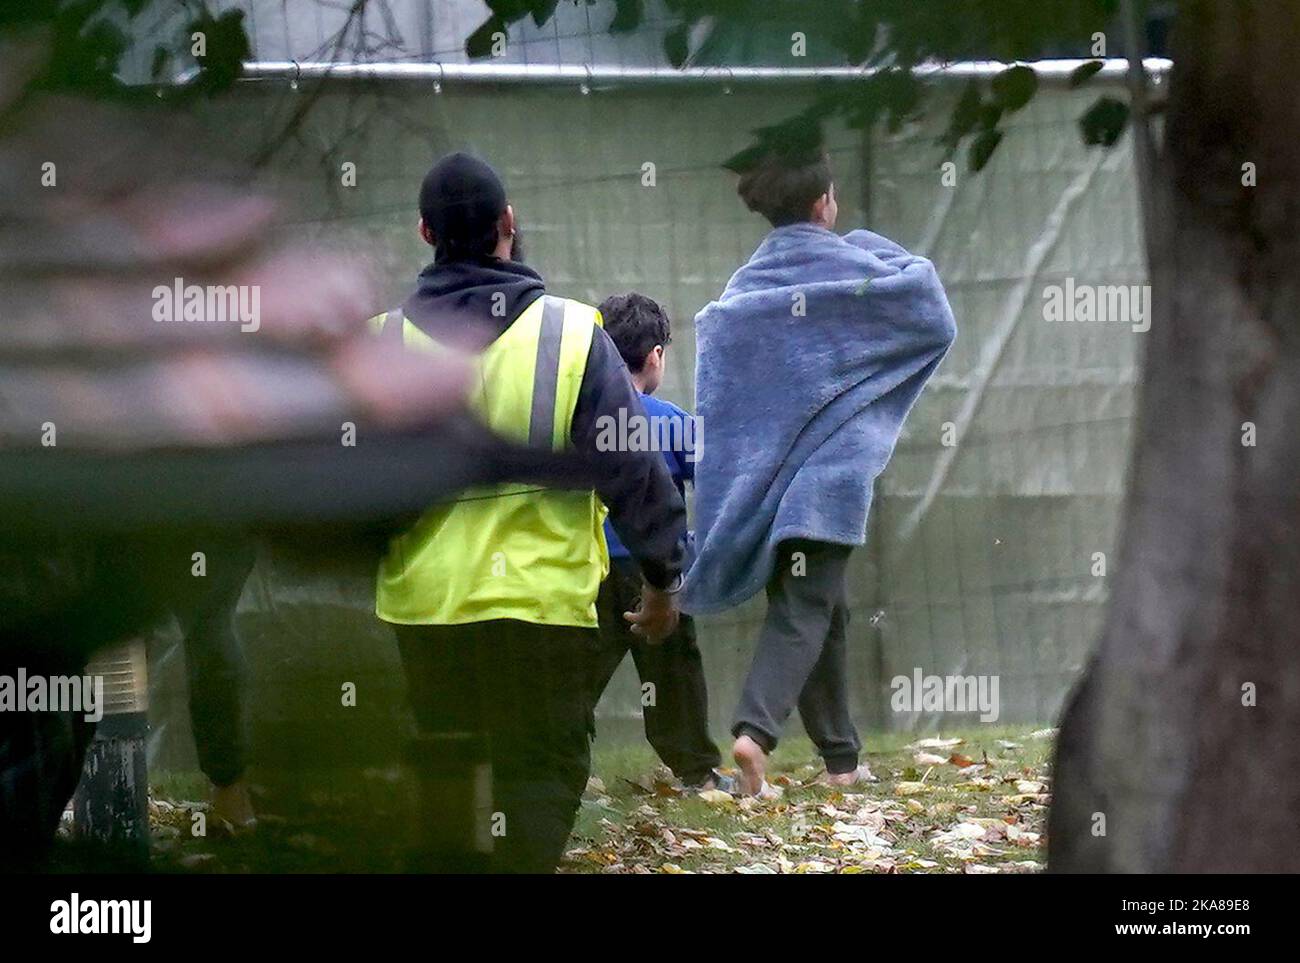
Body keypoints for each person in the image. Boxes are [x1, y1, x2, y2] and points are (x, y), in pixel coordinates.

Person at [372, 153, 688, 872]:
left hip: (426, 612)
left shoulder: (381, 343)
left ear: (425, 231)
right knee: (539, 771)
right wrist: (664, 579)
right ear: (508, 223)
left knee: (450, 770)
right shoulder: (574, 336)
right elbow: (632, 468)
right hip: (541, 609)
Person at [683, 139, 957, 797]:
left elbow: (722, 397)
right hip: (829, 483)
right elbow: (931, 312)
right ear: (824, 203)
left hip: (768, 486)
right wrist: (871, 243)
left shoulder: (741, 292)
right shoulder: (854, 271)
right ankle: (755, 732)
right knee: (807, 610)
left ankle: (841, 759)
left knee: (823, 610)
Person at [589, 293, 724, 791]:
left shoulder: (581, 418)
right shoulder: (671, 422)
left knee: (576, 679)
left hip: (590, 569)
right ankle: (698, 775)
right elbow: (716, 475)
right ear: (655, 356)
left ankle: (562, 767)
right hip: (657, 573)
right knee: (673, 677)